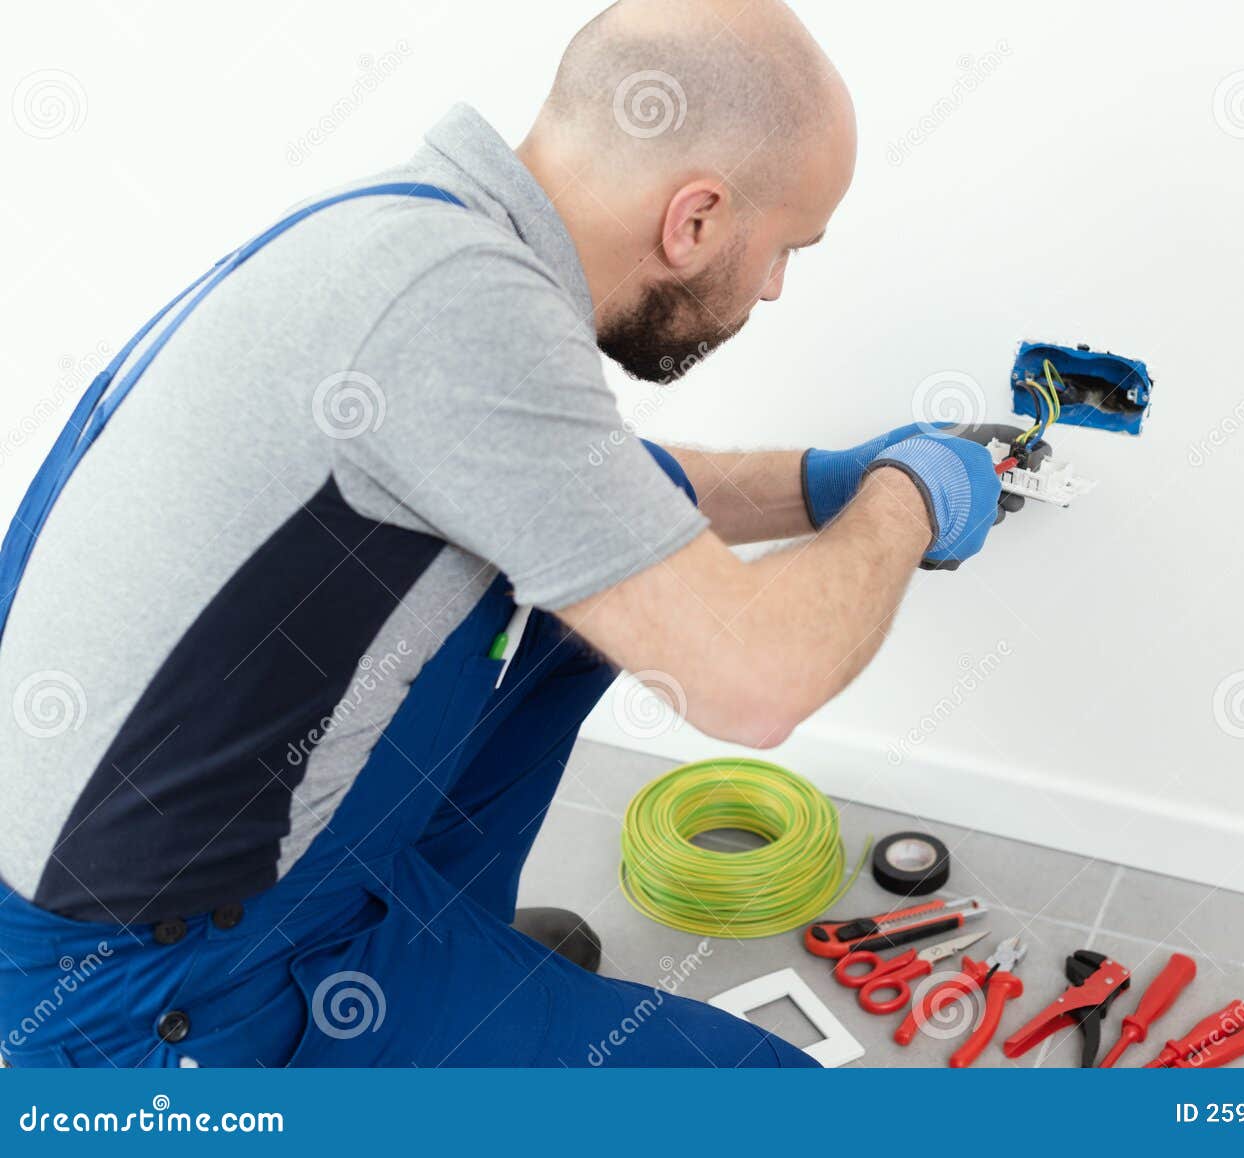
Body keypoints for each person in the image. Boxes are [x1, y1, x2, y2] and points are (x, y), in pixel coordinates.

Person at [0, 0, 1011, 1068]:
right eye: (783, 249)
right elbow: (755, 682)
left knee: (571, 617)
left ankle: (445, 944)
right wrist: (907, 498)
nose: (773, 287)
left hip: (178, 865)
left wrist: (824, 483)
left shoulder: (408, 228)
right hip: (157, 998)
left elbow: (592, 487)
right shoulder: (457, 310)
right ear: (697, 219)